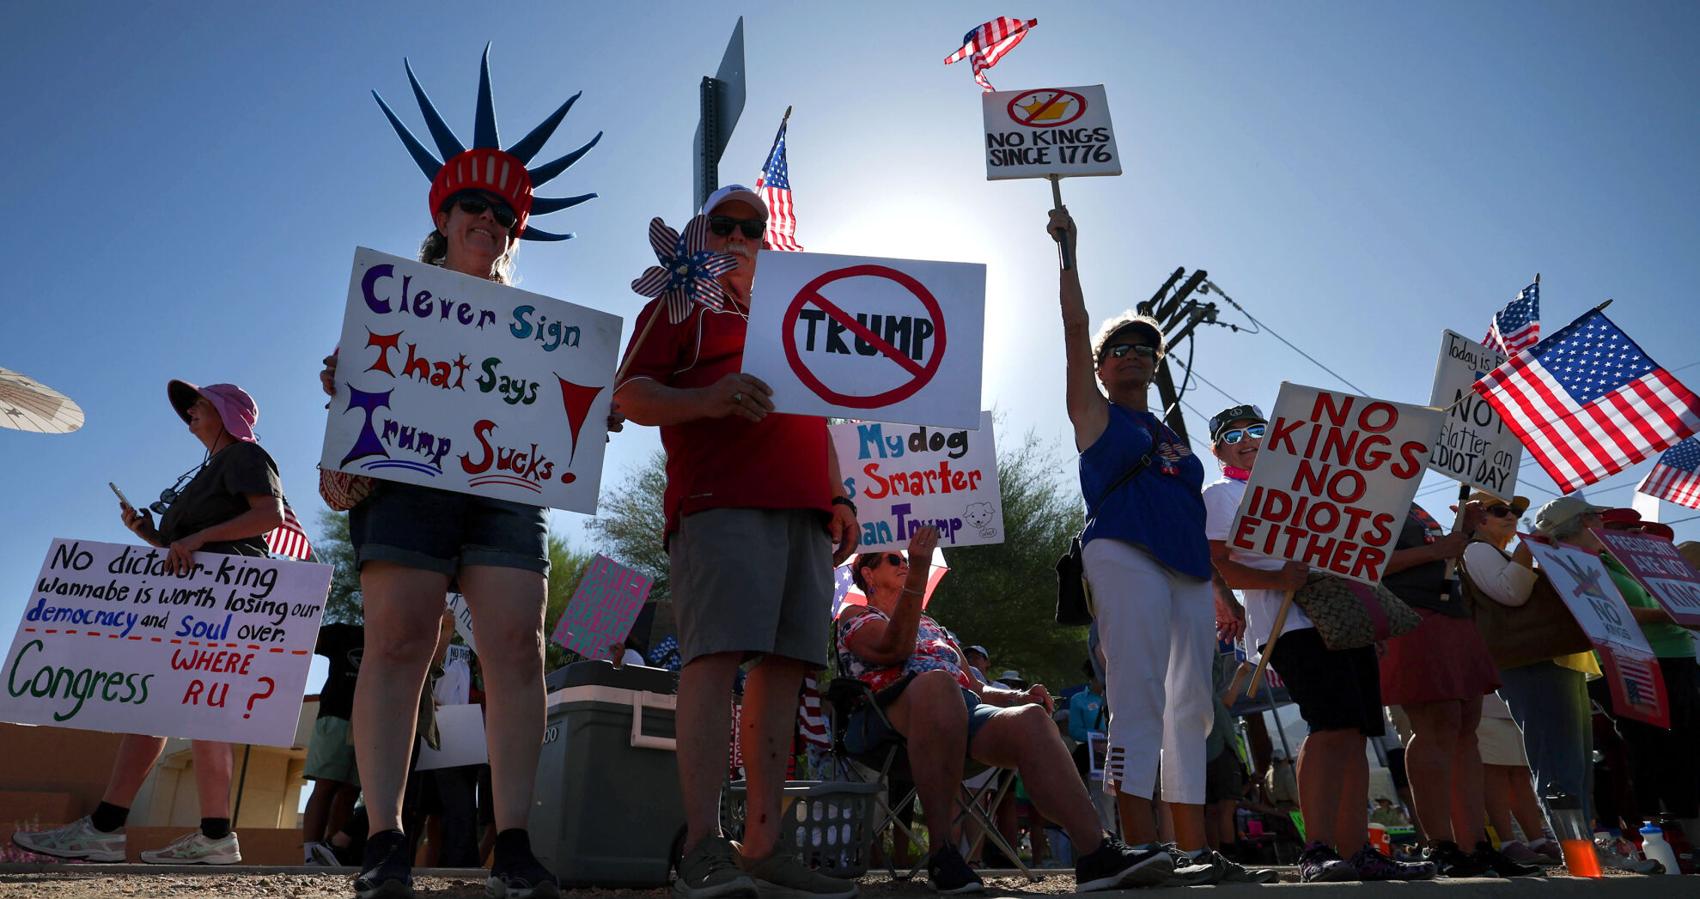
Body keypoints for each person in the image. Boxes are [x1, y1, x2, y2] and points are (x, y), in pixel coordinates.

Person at [322, 56, 599, 898]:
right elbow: (357, 392)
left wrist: (595, 408)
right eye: (475, 205)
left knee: (519, 645)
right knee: (400, 640)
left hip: (506, 489)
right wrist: (337, 451)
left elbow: (574, 408)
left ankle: (512, 839)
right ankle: (383, 838)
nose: (492, 219)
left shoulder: (541, 334)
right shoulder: (390, 305)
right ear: (443, 218)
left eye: (506, 214)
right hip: (407, 482)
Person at [614, 184, 860, 899]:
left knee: (786, 673)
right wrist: (706, 399)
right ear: (700, 234)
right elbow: (627, 393)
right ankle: (701, 844)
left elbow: (822, 413)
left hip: (806, 510)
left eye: (751, 227)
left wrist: (841, 496)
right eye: (722, 224)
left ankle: (763, 843)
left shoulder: (797, 317)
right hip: (720, 503)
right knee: (714, 659)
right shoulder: (680, 304)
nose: (738, 236)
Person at [836, 529, 1236, 892]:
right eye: (894, 559)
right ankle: (943, 854)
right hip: (887, 719)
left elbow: (975, 686)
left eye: (907, 559)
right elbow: (894, 650)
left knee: (1029, 720)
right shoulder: (856, 616)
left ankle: (1095, 852)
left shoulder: (933, 626)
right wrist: (919, 575)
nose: (905, 562)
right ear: (867, 574)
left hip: (960, 710)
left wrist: (1018, 697)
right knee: (938, 686)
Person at [12, 380, 286, 866]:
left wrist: (198, 538)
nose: (189, 415)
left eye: (198, 406)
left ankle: (214, 836)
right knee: (154, 707)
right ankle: (108, 828)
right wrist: (149, 534)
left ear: (226, 412)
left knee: (204, 706)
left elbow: (269, 516)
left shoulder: (247, 455)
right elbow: (186, 551)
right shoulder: (207, 470)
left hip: (222, 601)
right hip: (188, 600)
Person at [1048, 207, 1243, 884]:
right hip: (1122, 551)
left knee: (1194, 707)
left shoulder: (1171, 434)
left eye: (1144, 349)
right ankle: (1136, 843)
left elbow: (1190, 509)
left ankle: (1191, 849)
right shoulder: (1095, 413)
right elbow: (1075, 330)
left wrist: (1222, 588)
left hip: (1189, 570)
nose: (1133, 354)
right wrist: (1069, 254)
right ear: (1102, 367)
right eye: (1119, 348)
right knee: (1138, 698)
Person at [1200, 404, 1434, 883]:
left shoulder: (1306, 486)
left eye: (1257, 429)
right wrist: (1277, 576)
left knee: (1355, 732)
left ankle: (1357, 849)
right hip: (1290, 625)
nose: (1247, 439)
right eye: (1232, 434)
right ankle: (1316, 850)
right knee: (1328, 726)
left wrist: (1364, 618)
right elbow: (1217, 562)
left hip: (1342, 617)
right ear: (1217, 448)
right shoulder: (1222, 494)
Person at [1378, 501, 1539, 878]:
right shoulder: (1374, 491)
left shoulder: (1410, 500)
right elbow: (1362, 562)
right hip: (1409, 612)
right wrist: (1437, 549)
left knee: (1466, 728)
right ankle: (1441, 844)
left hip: (1452, 611)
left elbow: (1443, 554)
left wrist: (1463, 533)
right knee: (1436, 724)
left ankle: (1475, 844)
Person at [1537, 498, 1700, 851]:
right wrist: (1672, 614)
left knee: (1686, 748)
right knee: (1653, 751)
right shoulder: (1571, 563)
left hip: (1679, 655)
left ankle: (1682, 834)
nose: (1634, 533)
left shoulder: (1620, 559)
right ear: (1584, 523)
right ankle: (1665, 839)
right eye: (1601, 517)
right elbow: (1610, 612)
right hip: (1632, 663)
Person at [1455, 491, 1592, 868]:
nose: (1511, 516)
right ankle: (1578, 853)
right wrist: (1529, 551)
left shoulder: (1500, 552)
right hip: (1528, 661)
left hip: (1544, 659)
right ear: (1477, 519)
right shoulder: (1477, 550)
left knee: (1571, 760)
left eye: (1515, 510)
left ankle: (1585, 849)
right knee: (1557, 760)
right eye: (1499, 511)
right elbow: (1512, 594)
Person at [304, 620, 366, 865]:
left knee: (352, 790)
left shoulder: (392, 636)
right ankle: (311, 853)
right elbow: (303, 634)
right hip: (336, 716)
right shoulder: (343, 632)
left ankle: (332, 852)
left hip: (371, 722)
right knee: (326, 784)